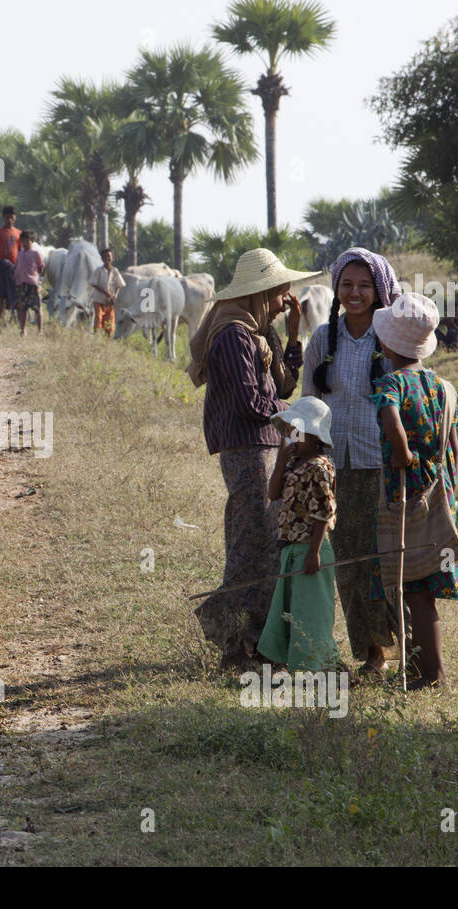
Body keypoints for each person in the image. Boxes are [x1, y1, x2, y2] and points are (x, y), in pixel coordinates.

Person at [187, 248, 322, 670]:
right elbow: (250, 403)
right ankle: (229, 635)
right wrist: (291, 417)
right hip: (248, 451)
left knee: (263, 544)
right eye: (283, 292)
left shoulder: (258, 336)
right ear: (263, 292)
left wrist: (295, 334)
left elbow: (284, 382)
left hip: (263, 447)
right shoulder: (232, 337)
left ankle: (249, 643)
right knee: (250, 545)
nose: (287, 301)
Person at [301, 247, 402, 679]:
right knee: (344, 562)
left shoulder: (391, 337)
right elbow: (308, 401)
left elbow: (410, 396)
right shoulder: (324, 339)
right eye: (347, 285)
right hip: (332, 465)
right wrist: (302, 457)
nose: (355, 293)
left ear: (379, 291)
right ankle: (368, 651)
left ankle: (389, 650)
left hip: (378, 464)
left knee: (378, 561)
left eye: (364, 285)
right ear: (336, 290)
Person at [370, 292, 458, 690]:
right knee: (423, 584)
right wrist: (445, 487)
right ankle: (421, 669)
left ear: (386, 342)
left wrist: (403, 454)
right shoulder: (444, 388)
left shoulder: (391, 383)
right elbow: (456, 450)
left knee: (411, 585)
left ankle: (432, 673)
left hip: (404, 494)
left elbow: (391, 419)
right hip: (437, 492)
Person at [257, 396, 341, 672]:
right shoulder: (295, 463)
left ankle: (320, 668)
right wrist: (281, 460)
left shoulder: (319, 466)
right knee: (290, 609)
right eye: (290, 431)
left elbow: (324, 513)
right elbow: (273, 493)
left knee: (311, 614)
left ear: (315, 435)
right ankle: (295, 664)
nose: (292, 437)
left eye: (298, 431)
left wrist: (314, 552)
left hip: (311, 549)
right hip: (292, 549)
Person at [0, 206, 21, 318]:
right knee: (0, 294)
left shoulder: (19, 233)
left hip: (14, 267)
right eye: (7, 217)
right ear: (3, 217)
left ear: (15, 218)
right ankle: (1, 318)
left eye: (11, 217)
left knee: (14, 292)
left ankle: (14, 316)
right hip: (1, 265)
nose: (9, 220)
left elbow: (20, 252)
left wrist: (20, 268)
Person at [13, 231, 44, 336]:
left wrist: (34, 276)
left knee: (37, 308)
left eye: (27, 241)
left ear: (32, 241)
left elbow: (40, 267)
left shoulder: (35, 254)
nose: (25, 243)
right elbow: (17, 266)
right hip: (21, 284)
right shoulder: (20, 254)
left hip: (33, 284)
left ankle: (40, 330)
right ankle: (23, 330)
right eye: (23, 241)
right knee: (23, 308)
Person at [89, 249, 125, 337]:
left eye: (109, 256)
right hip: (98, 299)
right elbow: (93, 283)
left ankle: (107, 340)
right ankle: (95, 336)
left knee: (109, 321)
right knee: (98, 318)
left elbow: (119, 285)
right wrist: (105, 292)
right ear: (102, 258)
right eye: (105, 256)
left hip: (109, 301)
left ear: (113, 258)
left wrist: (114, 296)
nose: (107, 258)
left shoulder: (115, 271)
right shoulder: (98, 271)